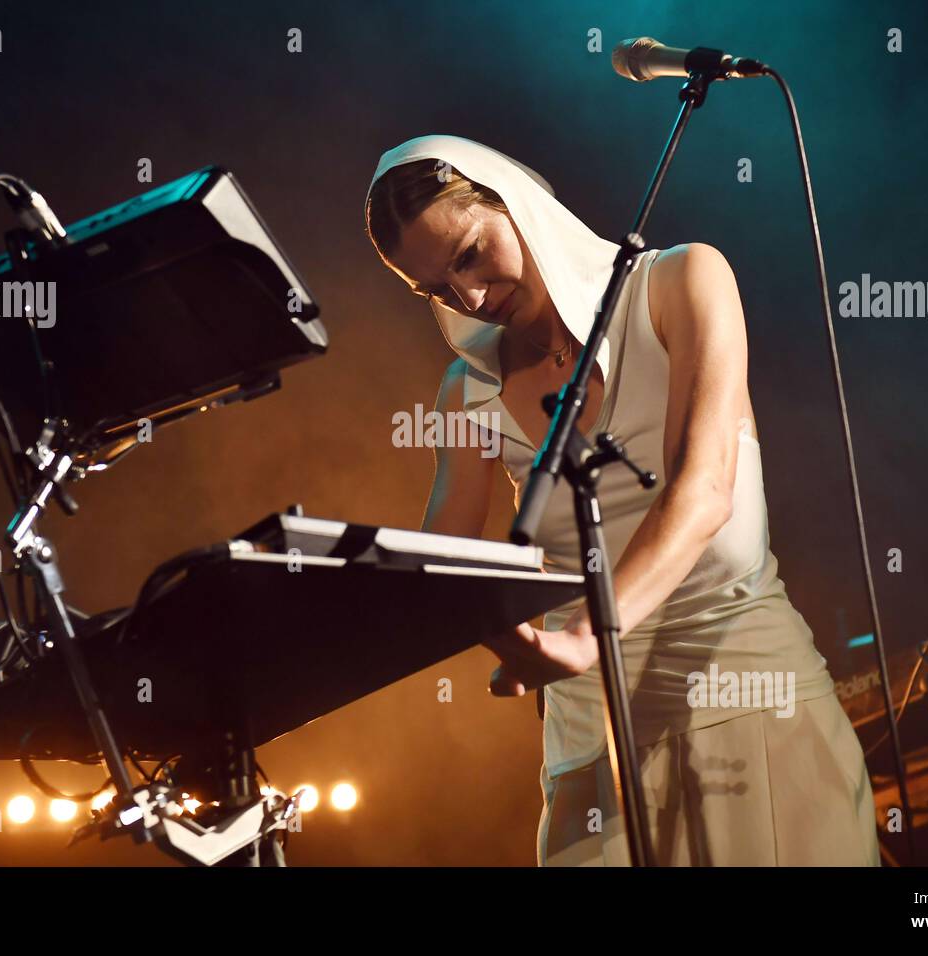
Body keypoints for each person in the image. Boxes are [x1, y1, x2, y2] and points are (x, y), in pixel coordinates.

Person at [364, 134, 880, 866]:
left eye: (471, 255)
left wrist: (578, 639)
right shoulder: (466, 390)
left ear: (519, 204)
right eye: (439, 291)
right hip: (591, 742)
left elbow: (702, 493)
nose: (469, 298)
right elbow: (448, 562)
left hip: (749, 703)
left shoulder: (680, 281)